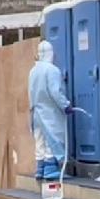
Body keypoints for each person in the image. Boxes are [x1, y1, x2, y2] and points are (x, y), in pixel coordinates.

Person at [29, 40, 74, 181]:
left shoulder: (33, 71)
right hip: (49, 112)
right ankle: (50, 169)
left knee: (40, 140)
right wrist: (66, 105)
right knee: (52, 139)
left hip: (36, 112)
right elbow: (56, 92)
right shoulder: (52, 70)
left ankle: (40, 168)